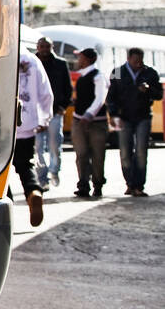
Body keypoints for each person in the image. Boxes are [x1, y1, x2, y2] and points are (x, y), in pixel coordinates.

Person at [107, 47, 163, 196]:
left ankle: (139, 185)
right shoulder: (117, 72)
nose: (138, 64)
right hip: (122, 117)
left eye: (141, 61)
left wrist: (149, 89)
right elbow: (111, 96)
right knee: (125, 152)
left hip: (143, 116)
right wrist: (113, 114)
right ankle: (130, 183)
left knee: (141, 151)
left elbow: (159, 95)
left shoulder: (150, 73)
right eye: (135, 61)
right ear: (128, 58)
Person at [14, 47, 54, 225]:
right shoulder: (33, 60)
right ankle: (33, 192)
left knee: (0, 169)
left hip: (0, 122)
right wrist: (45, 118)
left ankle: (6, 207)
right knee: (25, 164)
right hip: (27, 120)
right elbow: (46, 93)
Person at [70, 48, 110, 199]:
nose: (78, 60)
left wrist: (88, 115)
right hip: (78, 119)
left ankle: (98, 184)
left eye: (80, 57)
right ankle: (83, 185)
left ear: (87, 59)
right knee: (81, 154)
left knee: (98, 155)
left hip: (96, 123)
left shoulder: (98, 76)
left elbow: (100, 98)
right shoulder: (82, 77)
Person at [34, 37, 72, 189]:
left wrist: (63, 106)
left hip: (55, 111)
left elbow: (67, 88)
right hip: (36, 113)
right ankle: (42, 179)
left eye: (47, 46)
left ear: (51, 47)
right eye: (41, 46)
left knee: (54, 146)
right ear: (37, 47)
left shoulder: (61, 64)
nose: (44, 49)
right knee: (37, 148)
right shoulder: (31, 63)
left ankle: (54, 170)